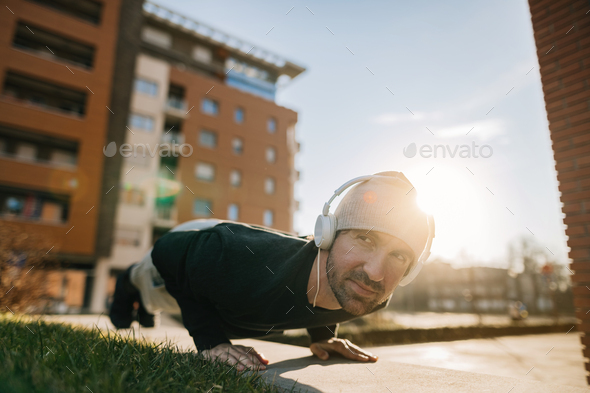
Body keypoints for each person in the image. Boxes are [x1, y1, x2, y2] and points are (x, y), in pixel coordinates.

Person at [109, 171, 435, 371]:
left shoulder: (372, 295)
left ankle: (143, 309)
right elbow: (170, 252)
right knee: (143, 289)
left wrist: (324, 336)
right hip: (186, 251)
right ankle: (125, 290)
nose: (376, 273)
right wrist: (211, 342)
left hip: (214, 286)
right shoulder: (248, 259)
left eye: (399, 256)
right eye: (364, 239)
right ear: (328, 236)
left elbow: (323, 293)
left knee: (156, 308)